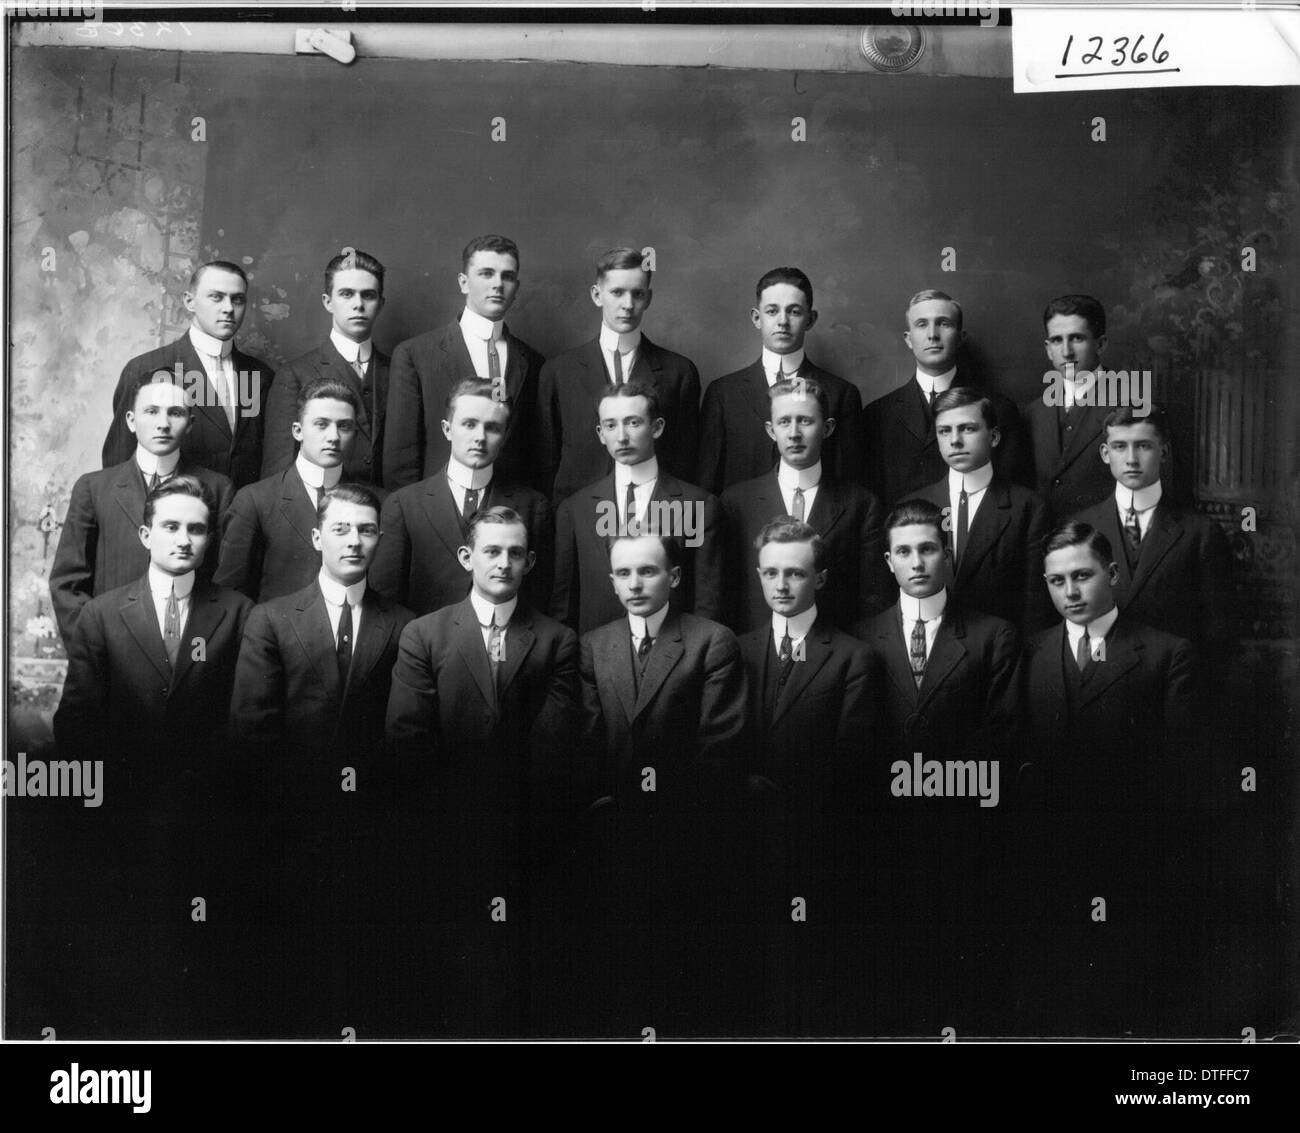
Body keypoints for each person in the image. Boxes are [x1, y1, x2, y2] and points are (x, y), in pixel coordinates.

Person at [51, 476, 253, 1034]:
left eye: (196, 529)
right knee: (128, 949)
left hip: (206, 814)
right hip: (126, 812)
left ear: (210, 539)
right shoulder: (104, 614)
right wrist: (126, 786)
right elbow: (77, 721)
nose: (183, 539)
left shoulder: (238, 613)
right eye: (170, 526)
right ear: (145, 534)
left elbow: (246, 719)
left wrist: (197, 784)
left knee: (205, 958)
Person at [385, 505, 578, 1036]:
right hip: (446, 828)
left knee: (518, 961)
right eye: (492, 551)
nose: (503, 563)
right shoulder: (425, 635)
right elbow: (408, 736)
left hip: (525, 828)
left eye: (516, 553)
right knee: (450, 958)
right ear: (467, 557)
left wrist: (509, 811)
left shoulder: (556, 639)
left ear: (531, 561)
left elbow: (555, 739)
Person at [228, 482, 413, 1033]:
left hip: (373, 826)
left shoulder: (406, 626)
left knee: (364, 970)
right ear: (316, 536)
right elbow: (252, 732)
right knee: (289, 969)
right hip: (292, 822)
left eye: (365, 530)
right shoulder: (271, 618)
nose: (353, 542)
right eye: (340, 529)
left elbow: (406, 737)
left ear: (379, 538)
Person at [1019, 521, 1199, 1034]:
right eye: (1057, 582)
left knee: (1124, 997)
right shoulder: (1029, 651)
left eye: (1083, 576)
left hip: (1131, 851)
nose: (1071, 593)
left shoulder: (1166, 653)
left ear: (1113, 573)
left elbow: (1180, 767)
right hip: (1048, 854)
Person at [574, 533, 748, 1033]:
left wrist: (665, 811)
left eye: (647, 571)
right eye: (624, 574)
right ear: (610, 582)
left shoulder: (711, 641)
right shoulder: (594, 645)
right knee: (617, 974)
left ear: (673, 576)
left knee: (681, 974)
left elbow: (719, 747)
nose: (635, 583)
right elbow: (586, 744)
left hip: (686, 836)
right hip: (611, 835)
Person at [50, 374, 233, 645]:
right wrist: (93, 647)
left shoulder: (218, 489)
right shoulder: (94, 488)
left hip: (189, 650)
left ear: (190, 424)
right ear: (131, 421)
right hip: (110, 650)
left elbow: (227, 579)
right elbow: (68, 582)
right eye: (151, 412)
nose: (163, 424)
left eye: (175, 413)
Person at [552, 379, 722, 635]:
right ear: (600, 433)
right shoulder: (575, 509)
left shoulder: (695, 504)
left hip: (677, 655)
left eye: (633, 422)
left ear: (657, 427)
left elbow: (706, 600)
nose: (621, 437)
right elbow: (564, 607)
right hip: (598, 656)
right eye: (611, 425)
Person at [370, 378, 552, 614]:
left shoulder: (532, 506)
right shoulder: (404, 505)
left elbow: (540, 597)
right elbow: (386, 600)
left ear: (505, 436)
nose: (480, 437)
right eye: (469, 424)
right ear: (447, 429)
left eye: (493, 428)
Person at [720, 376, 886, 632]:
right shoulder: (736, 503)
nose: (794, 434)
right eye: (784, 422)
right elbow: (728, 594)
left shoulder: (861, 505)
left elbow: (872, 597)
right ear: (770, 430)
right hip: (756, 649)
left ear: (828, 428)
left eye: (805, 421)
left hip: (834, 652)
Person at [537, 246, 700, 503]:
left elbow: (686, 460)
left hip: (654, 516)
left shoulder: (679, 372)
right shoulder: (558, 372)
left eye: (637, 294)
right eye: (617, 293)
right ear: (597, 295)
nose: (627, 305)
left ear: (648, 298)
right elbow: (546, 461)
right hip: (580, 516)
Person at [1070, 404, 1232, 657]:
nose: (1131, 459)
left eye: (1143, 446)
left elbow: (1218, 635)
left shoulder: (1201, 532)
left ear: (1164, 451)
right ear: (1104, 453)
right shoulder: (1079, 527)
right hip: (1099, 677)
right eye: (1119, 446)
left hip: (1171, 680)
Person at [383, 235, 544, 489]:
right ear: (464, 283)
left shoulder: (533, 362)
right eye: (486, 274)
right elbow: (401, 456)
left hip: (509, 510)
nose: (498, 285)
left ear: (517, 287)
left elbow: (536, 455)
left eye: (507, 276)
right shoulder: (416, 355)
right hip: (436, 512)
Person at [101, 260, 274, 489]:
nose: (228, 308)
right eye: (216, 297)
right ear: (190, 302)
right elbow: (118, 466)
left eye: (237, 299)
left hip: (239, 518)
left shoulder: (261, 376)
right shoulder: (145, 369)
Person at [698, 266, 862, 495]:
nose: (782, 321)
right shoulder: (723, 393)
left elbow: (850, 485)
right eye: (772, 311)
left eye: (794, 312)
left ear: (810, 319)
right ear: (757, 318)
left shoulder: (840, 393)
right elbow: (707, 484)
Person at [862, 288, 1027, 506]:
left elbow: (1010, 496)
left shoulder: (999, 409)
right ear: (909, 339)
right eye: (922, 324)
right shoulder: (877, 414)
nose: (933, 334)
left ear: (960, 337)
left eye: (944, 323)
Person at [911, 386, 1053, 629]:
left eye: (968, 429)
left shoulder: (1028, 508)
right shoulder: (913, 506)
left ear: (994, 437)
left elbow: (1035, 603)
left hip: (1002, 650)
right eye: (944, 431)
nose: (955, 441)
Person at [214, 378, 358, 601]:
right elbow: (230, 596)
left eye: (344, 426)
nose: (333, 437)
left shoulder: (375, 502)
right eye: (321, 424)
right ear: (297, 431)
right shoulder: (255, 500)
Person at [260, 249, 390, 485]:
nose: (358, 305)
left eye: (368, 295)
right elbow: (278, 474)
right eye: (347, 294)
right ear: (328, 302)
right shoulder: (294, 374)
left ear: (380, 304)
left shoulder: (398, 372)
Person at [1022, 293, 1115, 517]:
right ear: (1047, 349)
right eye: (1056, 340)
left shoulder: (1132, 405)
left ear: (1100, 344)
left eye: (1077, 338)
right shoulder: (1033, 413)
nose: (1066, 352)